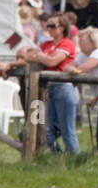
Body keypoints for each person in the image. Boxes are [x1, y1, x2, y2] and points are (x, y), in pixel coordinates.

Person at [26, 12, 79, 154]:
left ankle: (75, 160)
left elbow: (52, 61)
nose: (49, 29)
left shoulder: (67, 43)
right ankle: (58, 158)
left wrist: (41, 56)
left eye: (52, 26)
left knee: (67, 130)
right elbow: (28, 56)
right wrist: (43, 57)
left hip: (64, 88)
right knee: (46, 130)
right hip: (49, 89)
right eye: (47, 26)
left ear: (62, 28)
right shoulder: (46, 44)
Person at [70, 27, 98, 149]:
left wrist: (74, 70)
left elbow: (82, 69)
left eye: (83, 41)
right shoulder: (84, 54)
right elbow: (69, 67)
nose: (80, 44)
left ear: (94, 43)